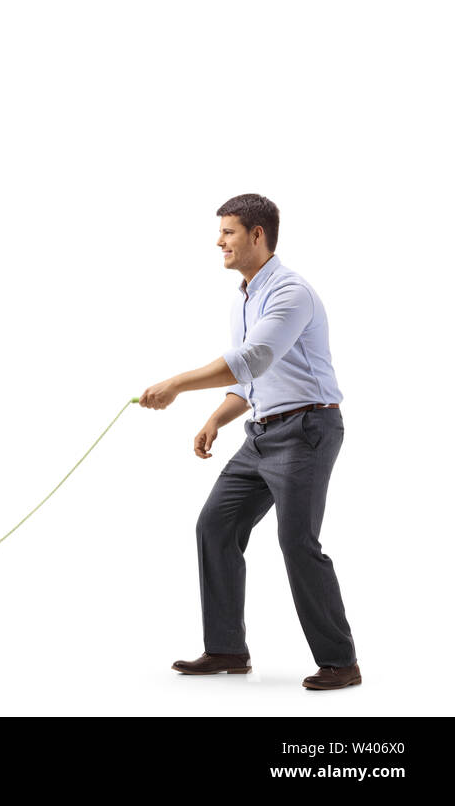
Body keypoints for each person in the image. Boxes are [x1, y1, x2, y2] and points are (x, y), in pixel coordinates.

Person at [139, 194, 358, 690]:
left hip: (307, 431)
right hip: (261, 435)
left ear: (257, 235)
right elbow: (252, 382)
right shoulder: (246, 295)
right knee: (215, 526)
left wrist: (174, 383)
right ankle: (226, 650)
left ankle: (341, 661)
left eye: (228, 232)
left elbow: (253, 358)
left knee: (296, 542)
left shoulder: (291, 292)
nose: (219, 241)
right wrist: (216, 418)